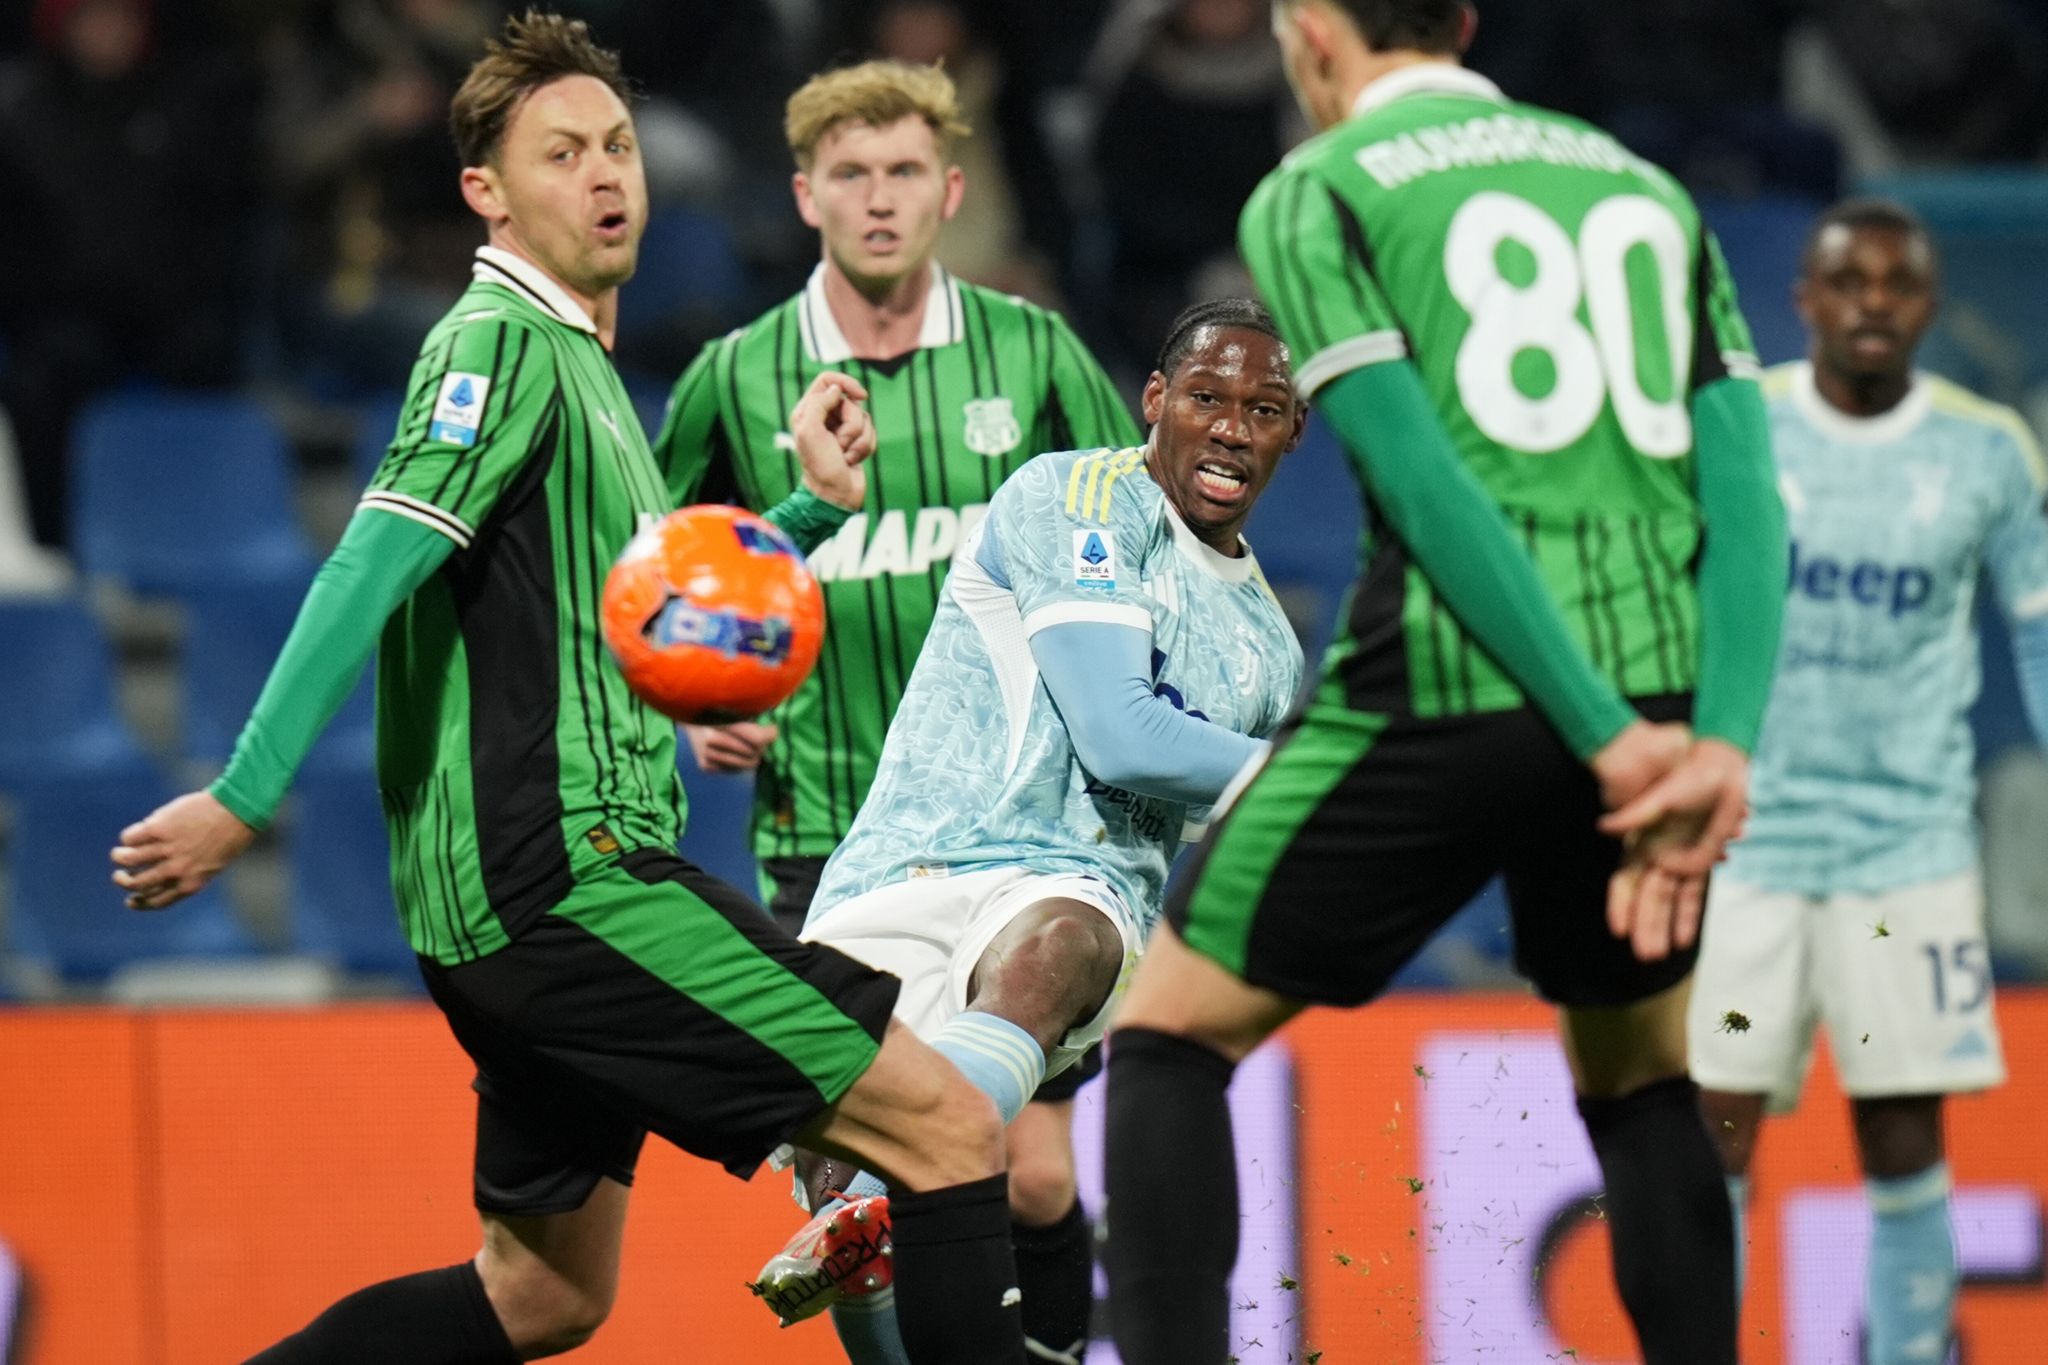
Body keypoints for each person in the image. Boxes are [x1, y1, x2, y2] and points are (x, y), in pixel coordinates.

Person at [108, 14, 1030, 1364]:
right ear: (488, 189)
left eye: (617, 146)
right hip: (562, 887)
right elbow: (369, 564)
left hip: (541, 897)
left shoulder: (582, 367)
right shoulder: (498, 348)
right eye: (563, 153)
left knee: (543, 1294)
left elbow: (625, 614)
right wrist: (244, 797)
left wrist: (808, 511)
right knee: (947, 1124)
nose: (607, 175)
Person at [1100, 4, 1789, 1364]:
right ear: (1464, 21)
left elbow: (1422, 478)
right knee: (1644, 1075)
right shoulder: (1640, 186)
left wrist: (1600, 739)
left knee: (1172, 1036)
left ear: (1308, 31)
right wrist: (1711, 742)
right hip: (1657, 699)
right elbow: (1749, 488)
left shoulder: (1320, 185)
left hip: (1450, 688)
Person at [652, 57, 1140, 1365]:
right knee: (850, 1182)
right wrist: (697, 707)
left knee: (1025, 1173)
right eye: (852, 176)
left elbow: (1133, 550)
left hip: (1018, 829)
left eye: (905, 172)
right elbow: (656, 590)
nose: (880, 201)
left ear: (953, 189)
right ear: (805, 194)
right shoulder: (734, 378)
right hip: (828, 842)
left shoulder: (1035, 354)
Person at [751, 299, 1305, 1365]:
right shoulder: (1075, 493)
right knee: (870, 1245)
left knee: (1062, 943)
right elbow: (1123, 736)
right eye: (1205, 397)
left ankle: (872, 1193)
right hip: (896, 879)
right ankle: (862, 1210)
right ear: (1154, 403)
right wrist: (1326, 781)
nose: (1230, 427)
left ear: (1291, 434)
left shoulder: (1270, 648)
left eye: (1263, 409)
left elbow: (1191, 829)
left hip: (1071, 892)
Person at [1689, 199, 2048, 1364]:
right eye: (1850, 283)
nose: (1874, 303)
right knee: (1717, 1123)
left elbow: (2038, 634)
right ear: (1805, 302)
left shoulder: (1986, 447)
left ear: (1928, 306)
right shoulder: (1739, 429)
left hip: (1907, 856)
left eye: (1897, 284)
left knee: (1900, 1130)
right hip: (1747, 845)